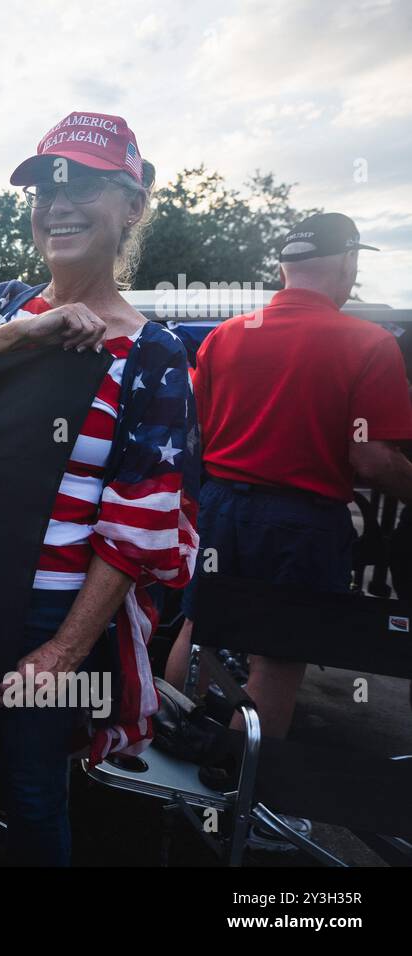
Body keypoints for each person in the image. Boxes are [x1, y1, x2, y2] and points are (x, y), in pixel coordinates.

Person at [0, 112, 198, 865]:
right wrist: (24, 335)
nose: (57, 204)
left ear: (131, 206)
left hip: (47, 610)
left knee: (33, 791)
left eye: (84, 185)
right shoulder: (1, 305)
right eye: (44, 188)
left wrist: (65, 648)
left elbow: (139, 525)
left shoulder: (153, 354)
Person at [165, 214, 412, 742]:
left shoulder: (225, 338)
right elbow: (371, 460)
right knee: (276, 662)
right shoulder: (369, 344)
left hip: (222, 506)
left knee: (200, 628)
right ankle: (240, 795)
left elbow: (197, 433)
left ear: (285, 268)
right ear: (347, 263)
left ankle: (174, 775)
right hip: (305, 523)